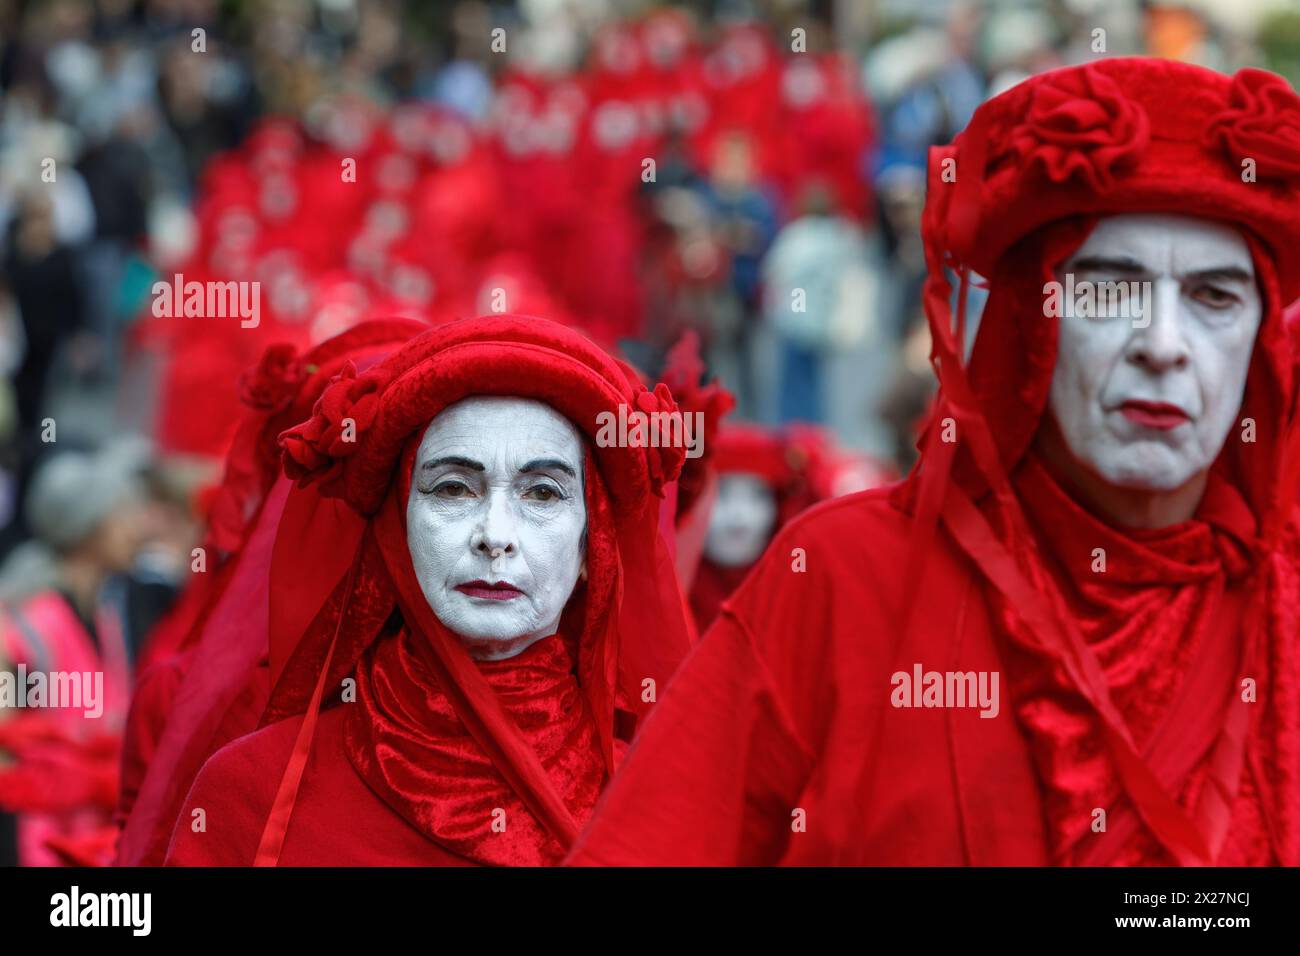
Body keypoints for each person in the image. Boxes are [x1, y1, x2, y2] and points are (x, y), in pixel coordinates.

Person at [566, 58, 1300, 866]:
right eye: (1107, 290)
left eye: (1215, 297)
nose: (1164, 346)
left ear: (1262, 341)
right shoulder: (840, 579)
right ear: (1031, 324)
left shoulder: (1283, 609)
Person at [165, 315, 694, 866]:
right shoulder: (253, 788)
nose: (495, 536)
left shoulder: (657, 800)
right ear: (396, 531)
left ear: (594, 548)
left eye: (541, 493)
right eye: (453, 488)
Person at [0, 443, 152, 865]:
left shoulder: (107, 611)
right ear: (89, 527)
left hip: (95, 830)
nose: (136, 527)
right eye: (122, 512)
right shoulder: (25, 622)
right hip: (36, 838)